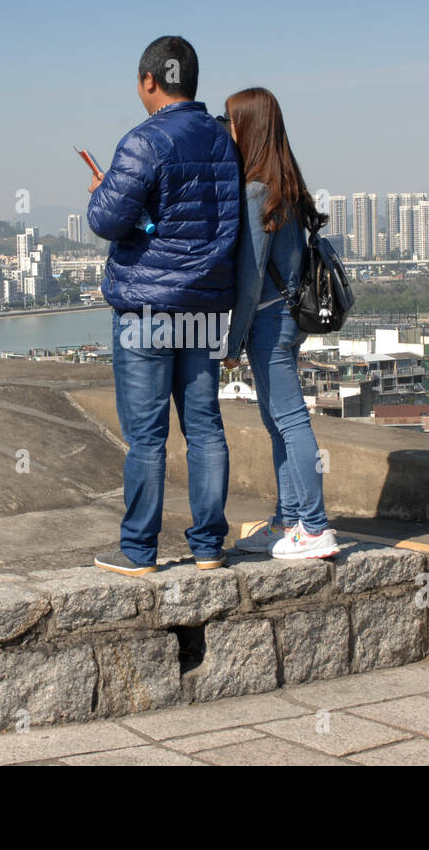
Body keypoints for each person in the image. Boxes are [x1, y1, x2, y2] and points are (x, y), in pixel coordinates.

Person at [87, 36, 241, 575]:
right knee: (204, 427)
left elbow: (105, 221)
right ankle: (207, 547)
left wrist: (104, 191)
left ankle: (138, 550)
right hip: (203, 308)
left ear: (149, 81)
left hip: (146, 311)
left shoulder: (143, 142)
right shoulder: (223, 143)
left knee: (147, 436)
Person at [220, 87, 338, 560]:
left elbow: (250, 280)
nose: (227, 132)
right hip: (288, 319)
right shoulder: (287, 187)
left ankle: (314, 526)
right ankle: (288, 520)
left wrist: (231, 341)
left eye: (231, 123)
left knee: (290, 421)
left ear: (249, 128)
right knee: (277, 423)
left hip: (269, 324)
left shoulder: (257, 193)